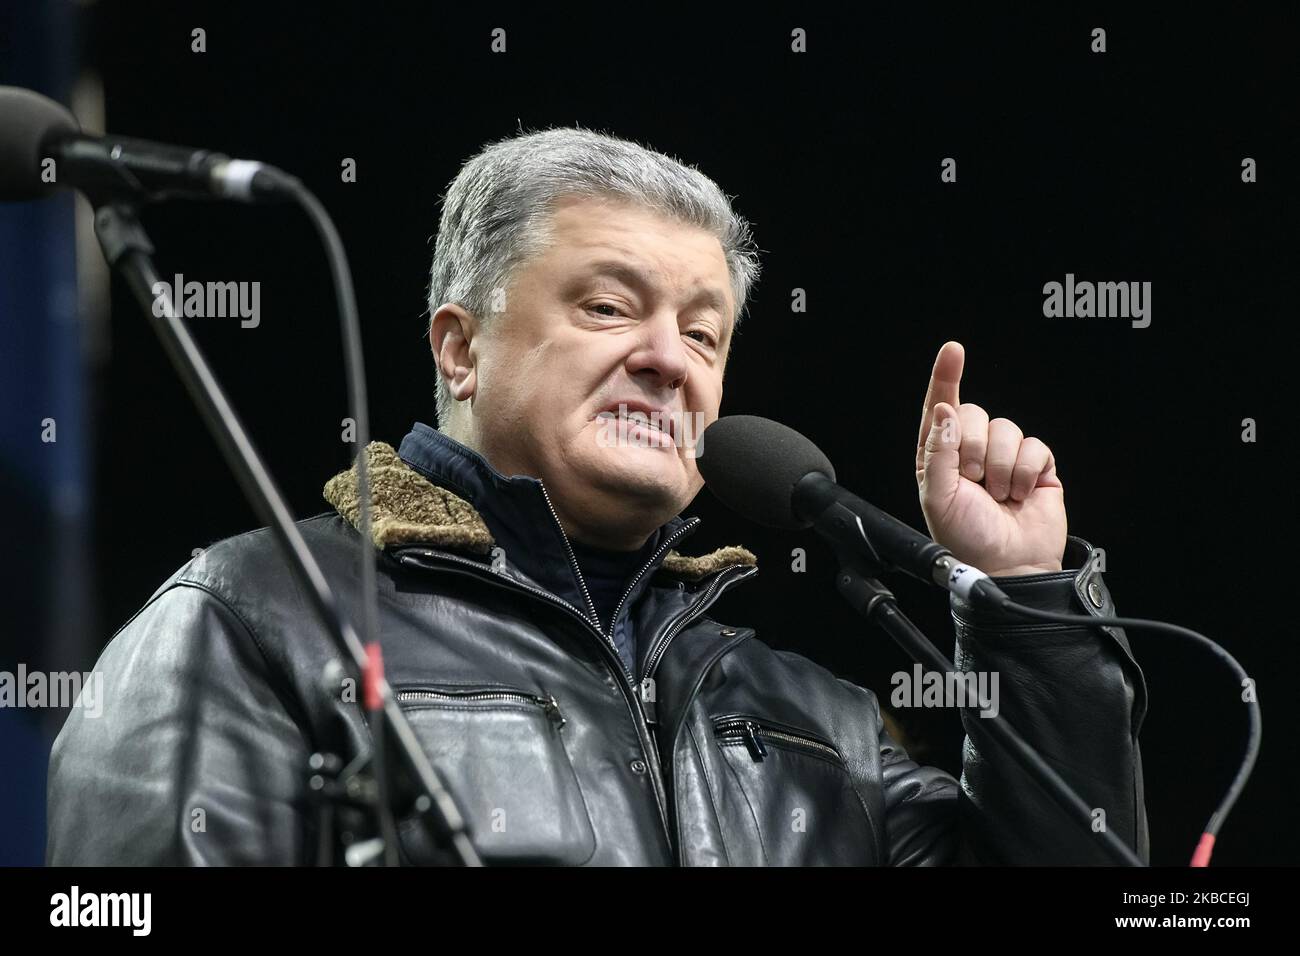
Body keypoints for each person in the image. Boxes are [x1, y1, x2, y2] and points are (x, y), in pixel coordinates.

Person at [46, 127, 1148, 865]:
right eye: (611, 307)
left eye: (704, 332)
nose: (670, 358)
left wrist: (1025, 604)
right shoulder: (250, 618)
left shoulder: (820, 719)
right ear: (460, 344)